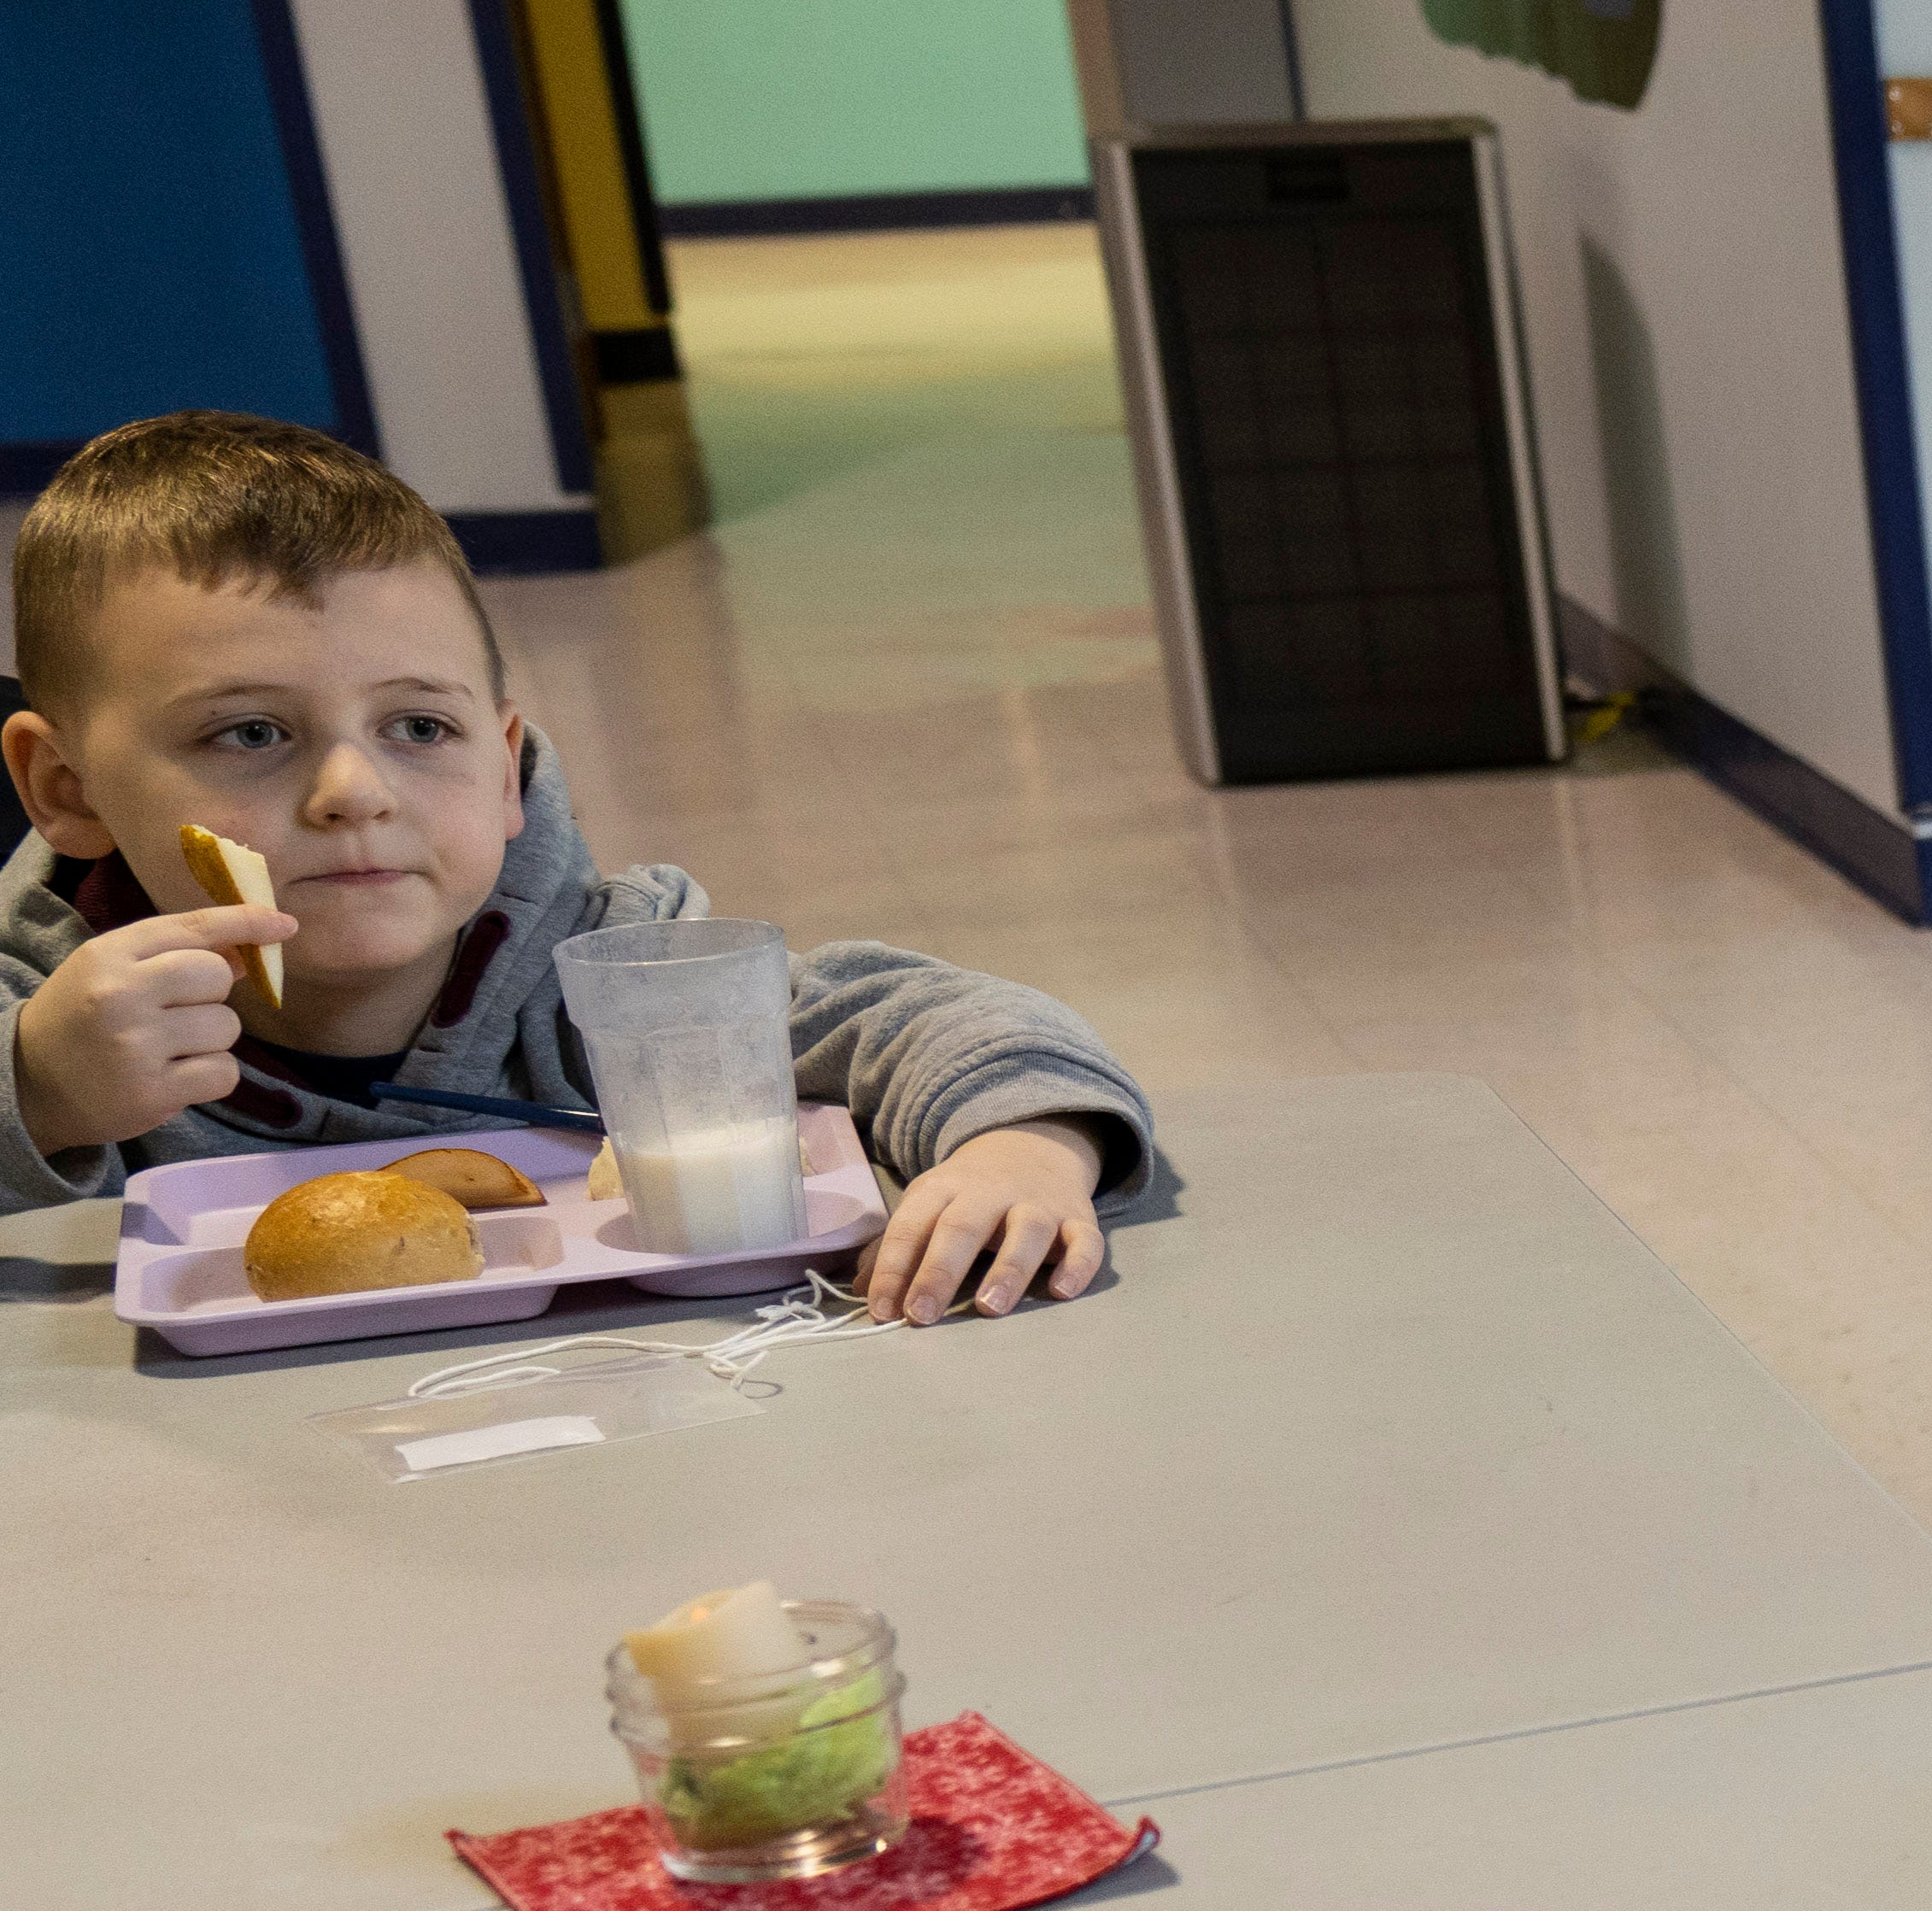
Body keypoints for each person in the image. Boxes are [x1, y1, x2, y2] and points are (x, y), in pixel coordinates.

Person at [4, 415, 1141, 1314]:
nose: (354, 790)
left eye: (418, 728)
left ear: (505, 772)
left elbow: (935, 1018)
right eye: (250, 734)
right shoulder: (44, 1023)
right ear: (66, 789)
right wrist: (41, 1093)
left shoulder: (607, 984)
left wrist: (1029, 1149)